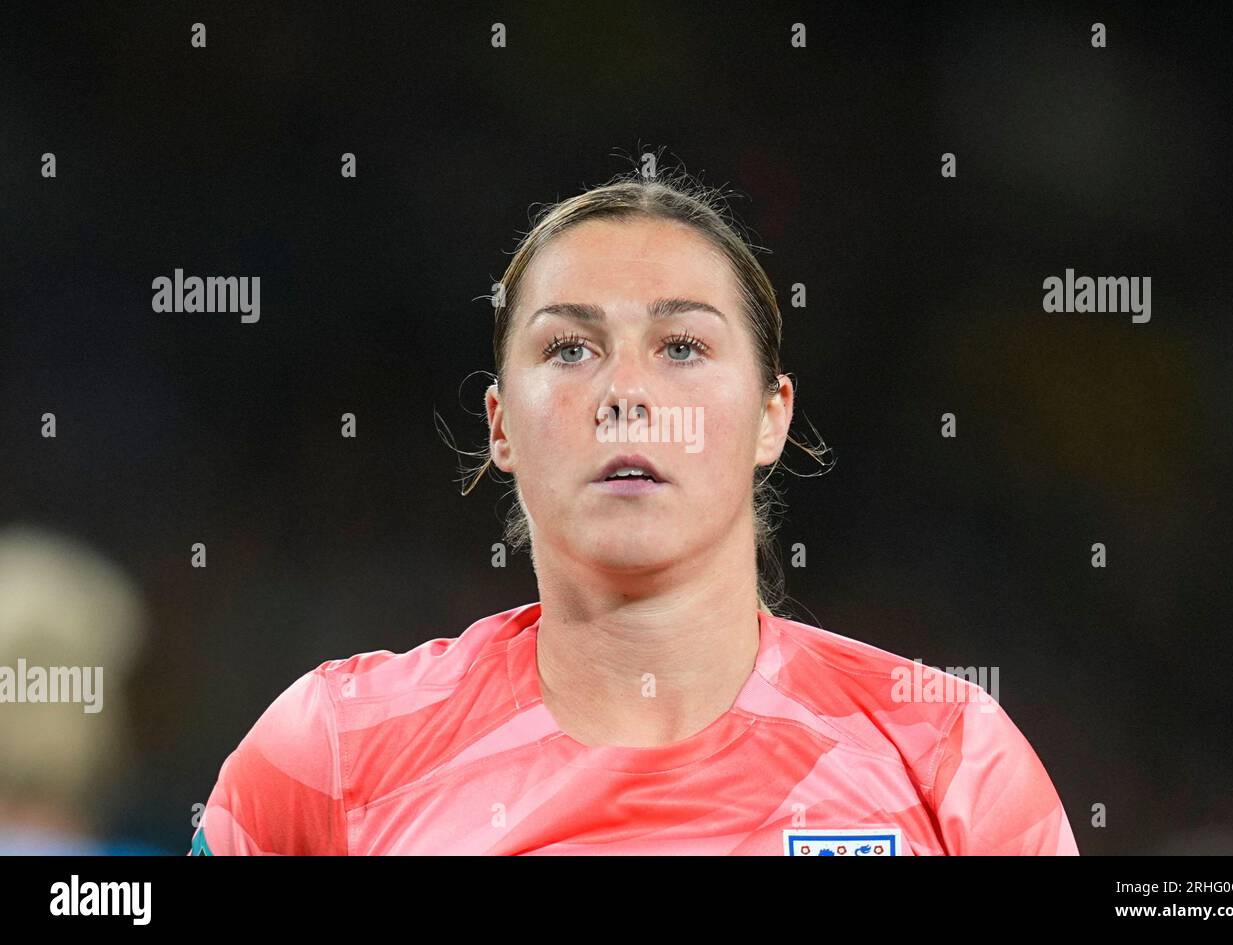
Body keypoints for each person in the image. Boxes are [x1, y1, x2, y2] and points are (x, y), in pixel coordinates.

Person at [191, 168, 1078, 855]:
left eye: (682, 346)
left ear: (773, 414)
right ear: (501, 423)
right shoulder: (336, 748)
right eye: (570, 347)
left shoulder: (947, 753)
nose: (623, 393)